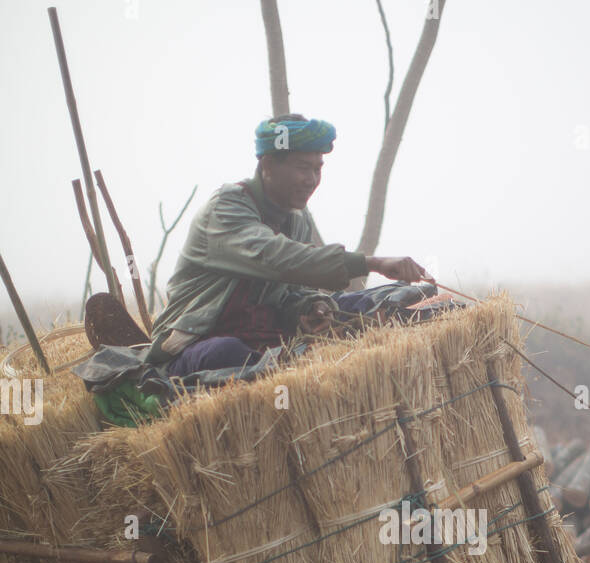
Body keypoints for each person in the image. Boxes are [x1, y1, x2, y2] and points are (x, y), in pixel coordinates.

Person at [145, 115, 437, 377]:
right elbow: (279, 259)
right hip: (197, 344)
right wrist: (372, 263)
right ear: (268, 166)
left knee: (386, 300)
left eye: (317, 169)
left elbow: (290, 292)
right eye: (302, 168)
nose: (312, 180)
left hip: (266, 335)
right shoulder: (225, 209)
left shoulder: (297, 218)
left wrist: (311, 306)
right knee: (228, 354)